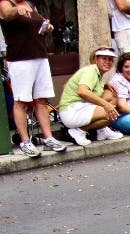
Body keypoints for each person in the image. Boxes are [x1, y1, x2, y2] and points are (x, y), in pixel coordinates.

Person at [0, 0, 67, 157]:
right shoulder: (6, 3)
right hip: (20, 59)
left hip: (40, 56)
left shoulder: (30, 3)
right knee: (21, 101)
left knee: (41, 99)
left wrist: (46, 27)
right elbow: (7, 14)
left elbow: (39, 24)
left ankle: (48, 138)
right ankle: (25, 141)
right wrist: (17, 9)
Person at [58, 47, 124, 146]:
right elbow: (82, 91)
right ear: (96, 59)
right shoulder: (91, 71)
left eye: (110, 59)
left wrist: (106, 84)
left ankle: (102, 130)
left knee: (112, 94)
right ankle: (79, 131)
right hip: (72, 111)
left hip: (81, 107)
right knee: (112, 113)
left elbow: (67, 85)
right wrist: (106, 105)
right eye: (104, 58)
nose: (108, 62)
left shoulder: (98, 73)